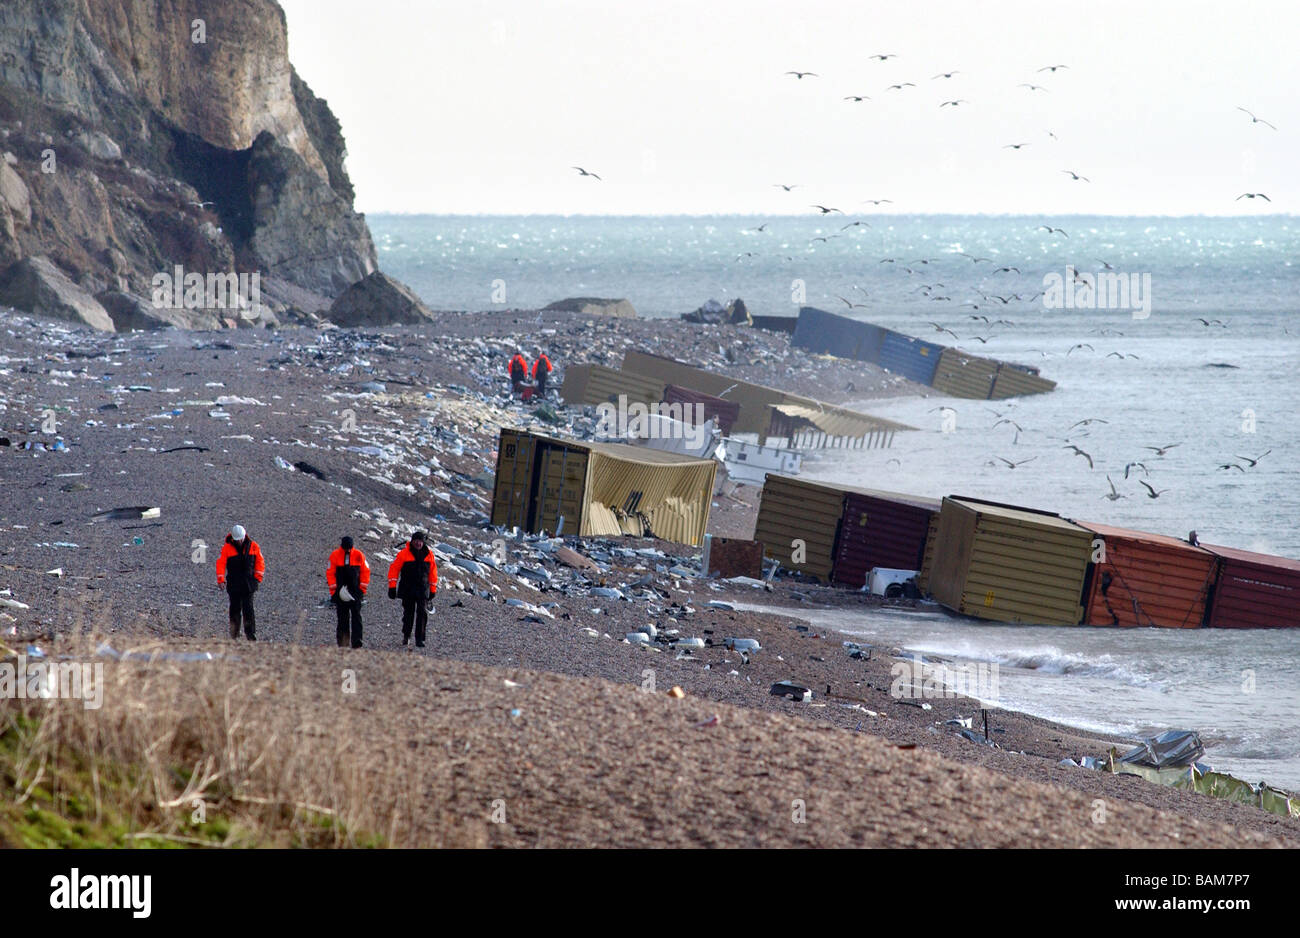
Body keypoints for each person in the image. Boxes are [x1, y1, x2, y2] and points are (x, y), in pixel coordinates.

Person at [387, 530, 438, 647]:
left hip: (423, 589)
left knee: (422, 613)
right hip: (408, 589)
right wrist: (392, 587)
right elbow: (394, 569)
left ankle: (420, 639)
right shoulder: (403, 554)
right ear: (412, 541)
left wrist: (433, 590)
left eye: (420, 541)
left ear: (423, 542)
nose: (418, 543)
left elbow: (433, 574)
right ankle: (406, 635)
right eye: (416, 541)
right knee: (408, 613)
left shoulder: (429, 555)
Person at [216, 524, 264, 640]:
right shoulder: (227, 548)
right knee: (234, 610)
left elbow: (260, 562)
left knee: (249, 610)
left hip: (248, 585)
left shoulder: (254, 546)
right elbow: (221, 564)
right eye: (237, 539)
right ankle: (234, 635)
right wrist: (221, 580)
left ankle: (251, 635)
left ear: (244, 536)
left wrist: (257, 578)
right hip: (234, 585)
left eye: (241, 539)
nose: (239, 541)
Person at [327, 535, 371, 649]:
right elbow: (330, 573)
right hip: (340, 592)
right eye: (346, 547)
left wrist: (362, 590)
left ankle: (357, 641)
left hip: (355, 591)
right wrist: (334, 592)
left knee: (356, 616)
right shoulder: (335, 555)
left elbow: (365, 572)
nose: (348, 550)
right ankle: (343, 642)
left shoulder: (359, 555)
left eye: (349, 548)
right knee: (342, 618)